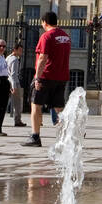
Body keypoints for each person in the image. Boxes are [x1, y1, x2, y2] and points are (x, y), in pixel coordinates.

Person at [21, 11, 70, 148]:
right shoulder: (66, 36)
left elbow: (43, 58)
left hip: (46, 76)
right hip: (61, 76)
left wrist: (37, 77)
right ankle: (67, 136)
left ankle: (35, 136)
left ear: (44, 22)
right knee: (59, 108)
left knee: (36, 105)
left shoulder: (46, 36)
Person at [7, 42, 25, 127]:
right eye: (20, 50)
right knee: (17, 103)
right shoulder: (15, 59)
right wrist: (14, 87)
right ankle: (18, 120)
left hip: (8, 81)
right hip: (14, 83)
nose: (21, 52)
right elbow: (13, 74)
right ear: (15, 50)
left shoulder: (8, 58)